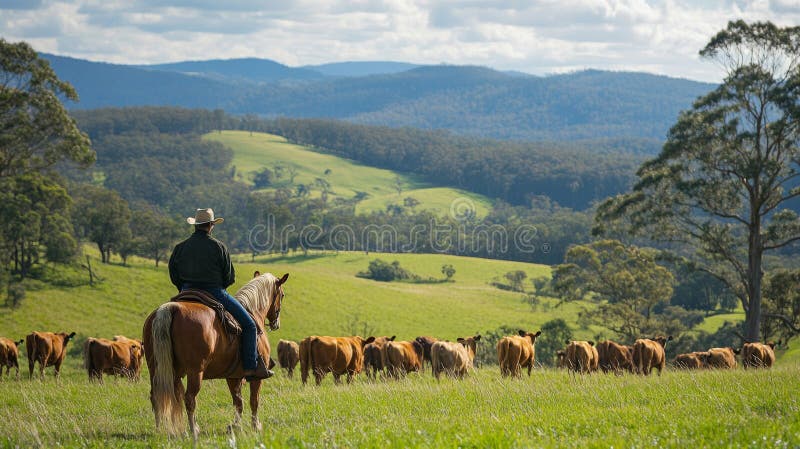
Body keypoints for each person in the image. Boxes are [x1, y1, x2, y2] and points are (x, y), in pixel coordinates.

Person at [168, 208, 271, 381]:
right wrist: (219, 288)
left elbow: (173, 273)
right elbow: (229, 276)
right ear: (210, 226)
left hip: (186, 291)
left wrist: (183, 288)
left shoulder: (180, 247)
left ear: (195, 226)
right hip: (214, 291)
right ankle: (251, 369)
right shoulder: (218, 246)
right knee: (250, 325)